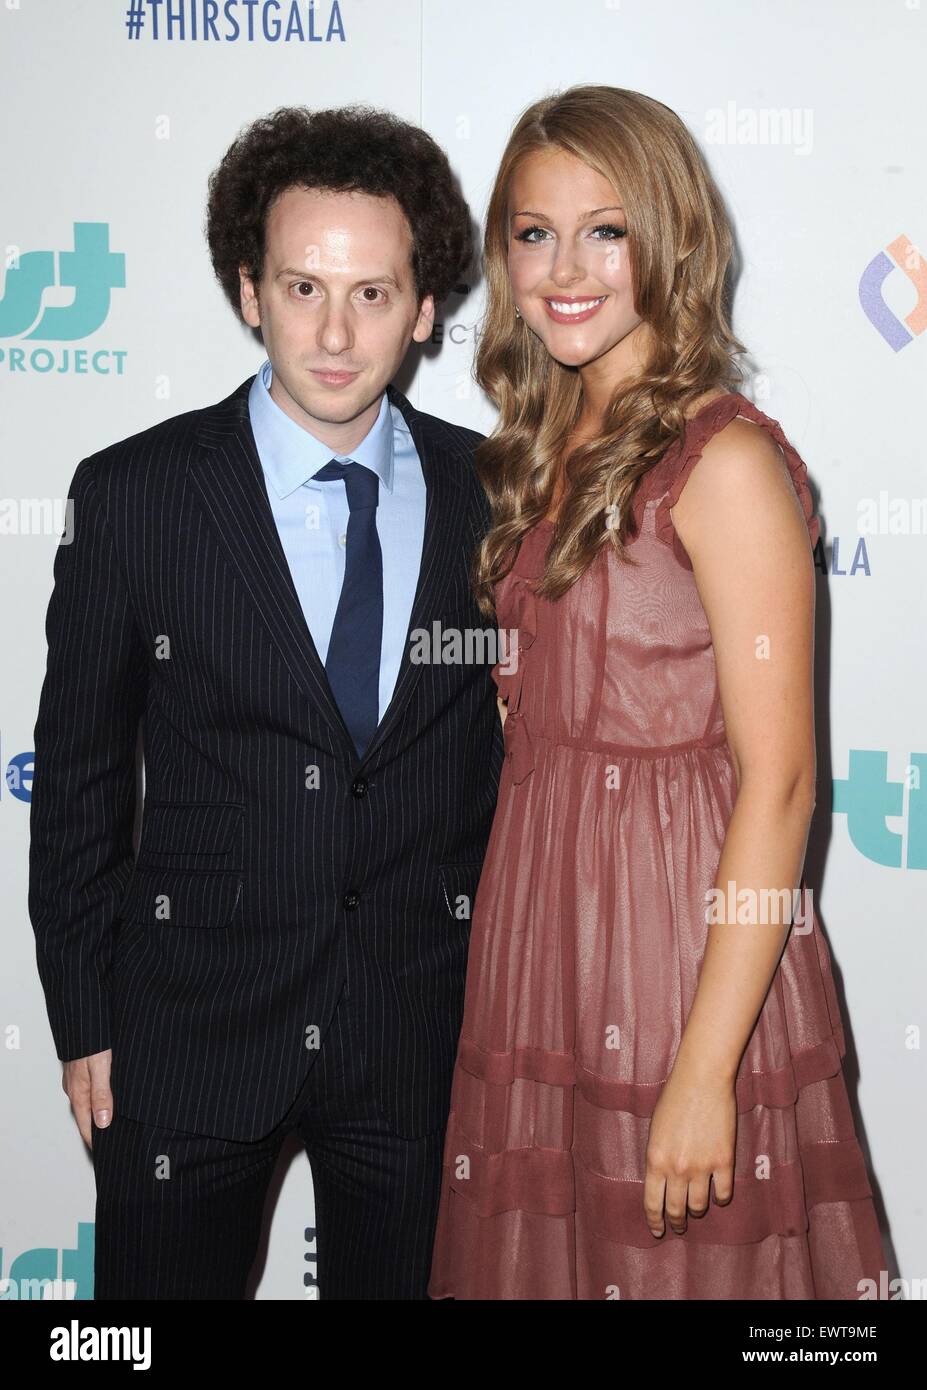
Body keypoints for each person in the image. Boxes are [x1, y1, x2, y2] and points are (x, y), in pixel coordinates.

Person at [28, 104, 503, 1300]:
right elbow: (77, 775)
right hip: (185, 1035)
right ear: (249, 291)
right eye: (301, 289)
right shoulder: (135, 494)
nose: (334, 334)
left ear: (428, 307)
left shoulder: (497, 498)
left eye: (375, 294)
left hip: (418, 1037)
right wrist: (85, 1012)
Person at [428, 84, 888, 1300]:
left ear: (670, 238)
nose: (565, 268)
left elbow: (781, 782)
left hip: (677, 951)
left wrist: (704, 1067)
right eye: (534, 232)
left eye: (606, 229)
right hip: (546, 936)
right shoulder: (543, 441)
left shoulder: (722, 458)